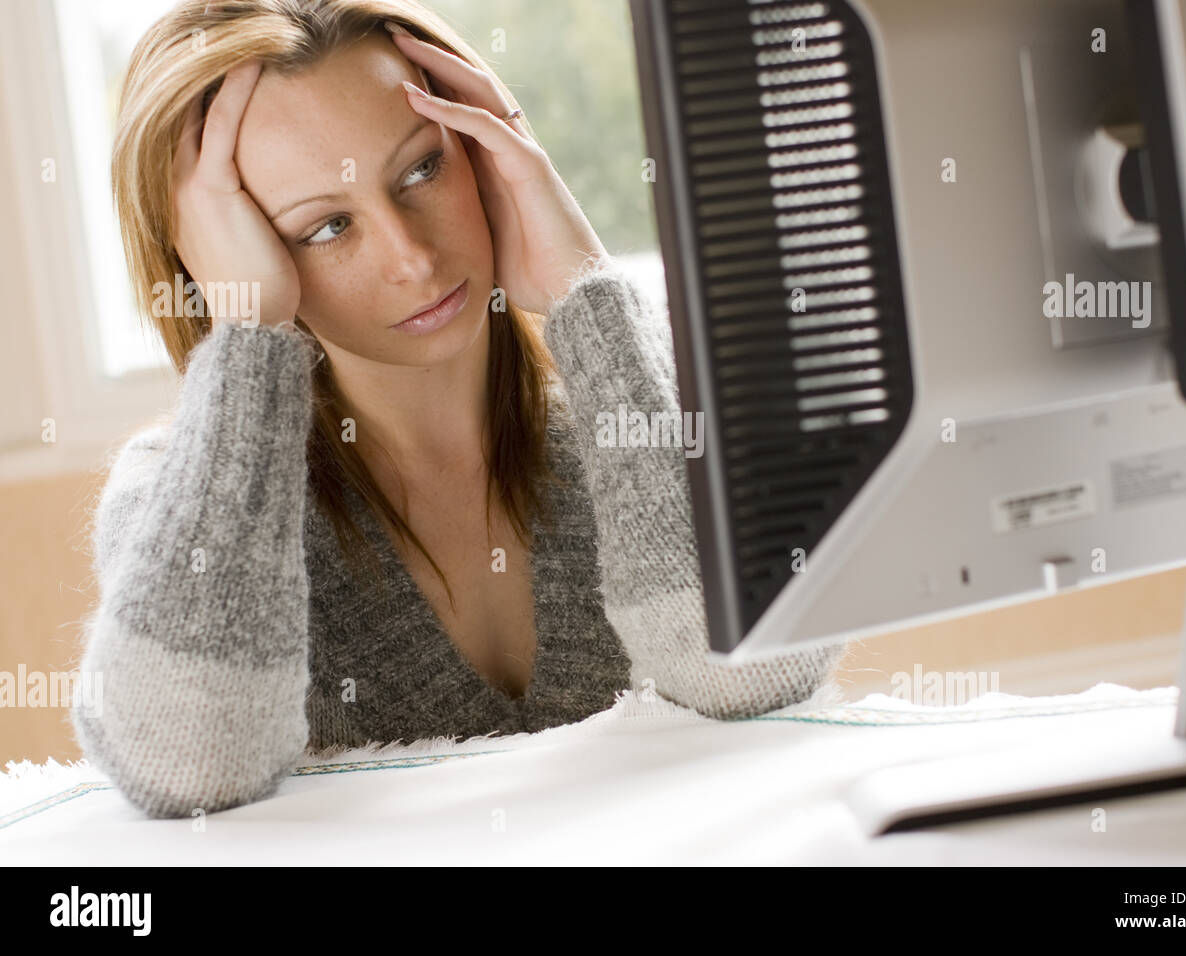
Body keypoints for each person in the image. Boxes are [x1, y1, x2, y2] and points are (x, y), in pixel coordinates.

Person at [70, 0, 849, 819]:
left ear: (483, 148)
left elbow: (760, 675)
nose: (411, 257)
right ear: (220, 257)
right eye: (327, 226)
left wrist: (588, 298)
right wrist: (247, 333)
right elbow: (188, 770)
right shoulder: (175, 498)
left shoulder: (642, 418)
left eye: (421, 170)